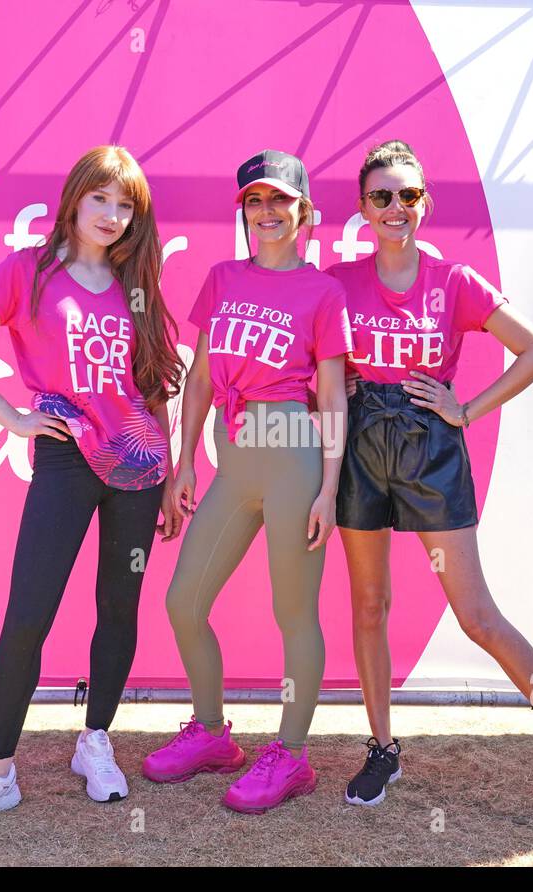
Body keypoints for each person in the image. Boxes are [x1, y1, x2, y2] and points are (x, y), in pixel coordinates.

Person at [329, 140, 533, 823]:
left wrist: (467, 409)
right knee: (369, 607)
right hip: (361, 453)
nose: (395, 207)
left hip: (430, 456)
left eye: (408, 195)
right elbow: (310, 364)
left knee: (476, 616)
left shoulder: (454, 281)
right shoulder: (338, 283)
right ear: (363, 207)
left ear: (425, 203)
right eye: (382, 196)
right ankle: (383, 748)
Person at [0, 146, 184, 834]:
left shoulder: (136, 283)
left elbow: (154, 387)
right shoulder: (28, 272)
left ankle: (94, 741)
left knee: (119, 608)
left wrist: (168, 474)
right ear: (74, 199)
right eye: (101, 198)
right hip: (66, 460)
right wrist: (14, 419)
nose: (112, 215)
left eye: (125, 205)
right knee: (28, 615)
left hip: (138, 469)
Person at [140, 149, 351, 814]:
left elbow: (333, 395)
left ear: (303, 210)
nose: (267, 212)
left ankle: (292, 755)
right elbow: (202, 376)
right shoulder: (223, 278)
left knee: (294, 614)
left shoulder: (323, 291)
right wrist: (183, 462)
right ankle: (211, 733)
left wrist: (329, 489)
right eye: (255, 201)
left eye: (279, 200)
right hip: (233, 462)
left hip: (293, 459)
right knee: (183, 601)